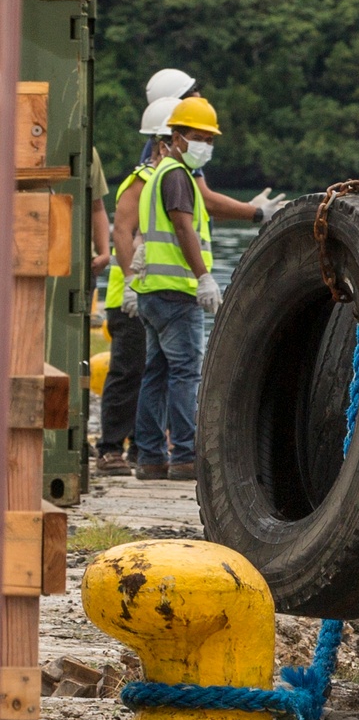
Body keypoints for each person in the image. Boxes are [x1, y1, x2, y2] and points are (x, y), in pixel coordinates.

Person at [130, 97, 283, 481]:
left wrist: (252, 212)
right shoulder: (178, 176)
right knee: (185, 374)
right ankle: (184, 455)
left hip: (153, 290)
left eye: (210, 140)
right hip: (176, 292)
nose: (205, 146)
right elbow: (183, 228)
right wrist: (203, 277)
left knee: (156, 375)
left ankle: (150, 458)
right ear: (176, 137)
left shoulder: (160, 172)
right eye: (198, 138)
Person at [93, 102, 173, 477]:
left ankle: (143, 447)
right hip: (129, 297)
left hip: (156, 292)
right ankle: (110, 448)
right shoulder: (142, 181)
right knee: (128, 372)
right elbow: (122, 232)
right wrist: (128, 283)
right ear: (162, 144)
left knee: (154, 373)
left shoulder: (173, 181)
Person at [141, 67, 284, 225]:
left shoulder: (163, 145)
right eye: (193, 90)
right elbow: (204, 200)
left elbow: (196, 207)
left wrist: (247, 207)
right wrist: (256, 212)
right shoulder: (177, 147)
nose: (199, 95)